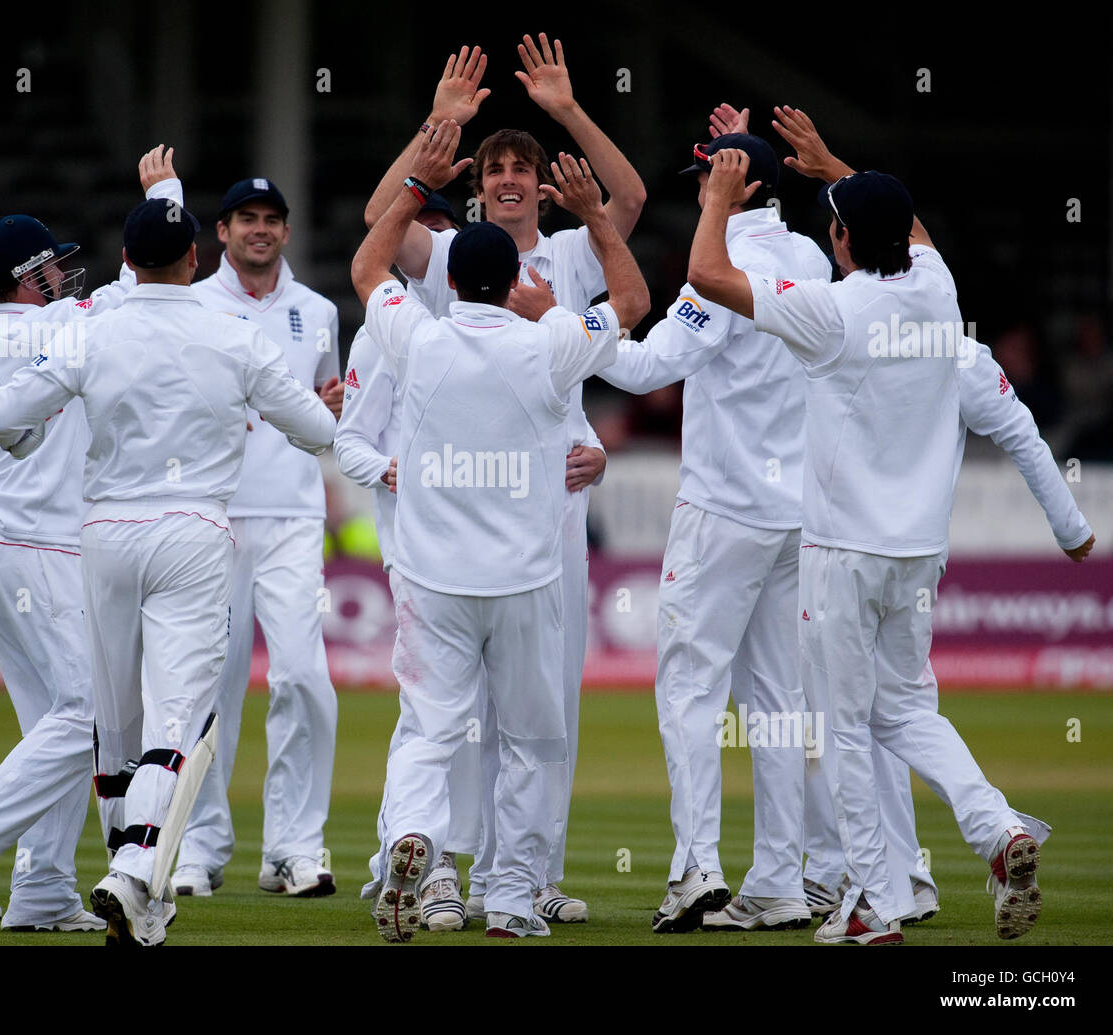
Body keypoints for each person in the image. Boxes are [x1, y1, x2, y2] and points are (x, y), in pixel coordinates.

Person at [687, 107, 1093, 945]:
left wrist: (718, 200)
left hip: (840, 556)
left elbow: (709, 279)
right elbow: (909, 226)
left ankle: (873, 899)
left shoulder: (832, 313)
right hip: (917, 556)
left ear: (839, 241)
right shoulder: (937, 291)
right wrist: (836, 163)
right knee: (906, 712)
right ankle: (995, 829)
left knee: (839, 728)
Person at [0, 197, 337, 947]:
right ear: (196, 260)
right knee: (178, 722)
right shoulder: (235, 335)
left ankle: (136, 895)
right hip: (193, 528)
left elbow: (3, 416)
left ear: (128, 261)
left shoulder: (92, 329)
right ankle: (137, 866)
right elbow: (317, 431)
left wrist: (24, 449)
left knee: (116, 730)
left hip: (107, 529)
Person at [363, 35, 646, 925]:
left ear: (539, 183)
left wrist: (567, 110)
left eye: (526, 167)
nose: (513, 179)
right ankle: (451, 870)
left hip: (551, 497)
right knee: (486, 710)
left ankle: (524, 873)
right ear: (478, 187)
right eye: (498, 169)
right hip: (478, 507)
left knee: (541, 700)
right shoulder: (447, 255)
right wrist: (439, 124)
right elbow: (381, 220)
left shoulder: (567, 253)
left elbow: (630, 199)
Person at [0, 147, 180, 933]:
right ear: (32, 279)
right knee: (95, 715)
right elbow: (148, 285)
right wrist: (165, 195)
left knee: (54, 726)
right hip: (43, 549)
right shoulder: (66, 323)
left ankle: (41, 891)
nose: (67, 276)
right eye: (54, 267)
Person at [597, 123, 830, 933]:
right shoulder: (808, 256)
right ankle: (780, 882)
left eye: (713, 176)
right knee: (775, 704)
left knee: (691, 692)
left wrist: (563, 329)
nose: (701, 187)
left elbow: (646, 365)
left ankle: (697, 868)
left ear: (745, 189)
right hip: (795, 516)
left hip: (724, 511)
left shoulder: (724, 271)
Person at [170, 175, 343, 900]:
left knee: (304, 676)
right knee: (210, 686)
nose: (260, 230)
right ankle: (199, 849)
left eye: (273, 218)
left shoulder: (320, 312)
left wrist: (334, 409)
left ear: (287, 231)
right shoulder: (191, 304)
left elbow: (331, 412)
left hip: (294, 519)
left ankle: (293, 849)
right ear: (222, 231)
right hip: (213, 516)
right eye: (247, 218)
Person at [335, 194, 483, 932]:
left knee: (447, 715)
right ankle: (436, 868)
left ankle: (411, 852)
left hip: (490, 555)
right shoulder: (384, 336)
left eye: (447, 235)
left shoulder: (492, 326)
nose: (435, 248)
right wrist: (391, 469)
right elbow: (350, 441)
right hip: (418, 552)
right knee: (438, 713)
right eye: (423, 233)